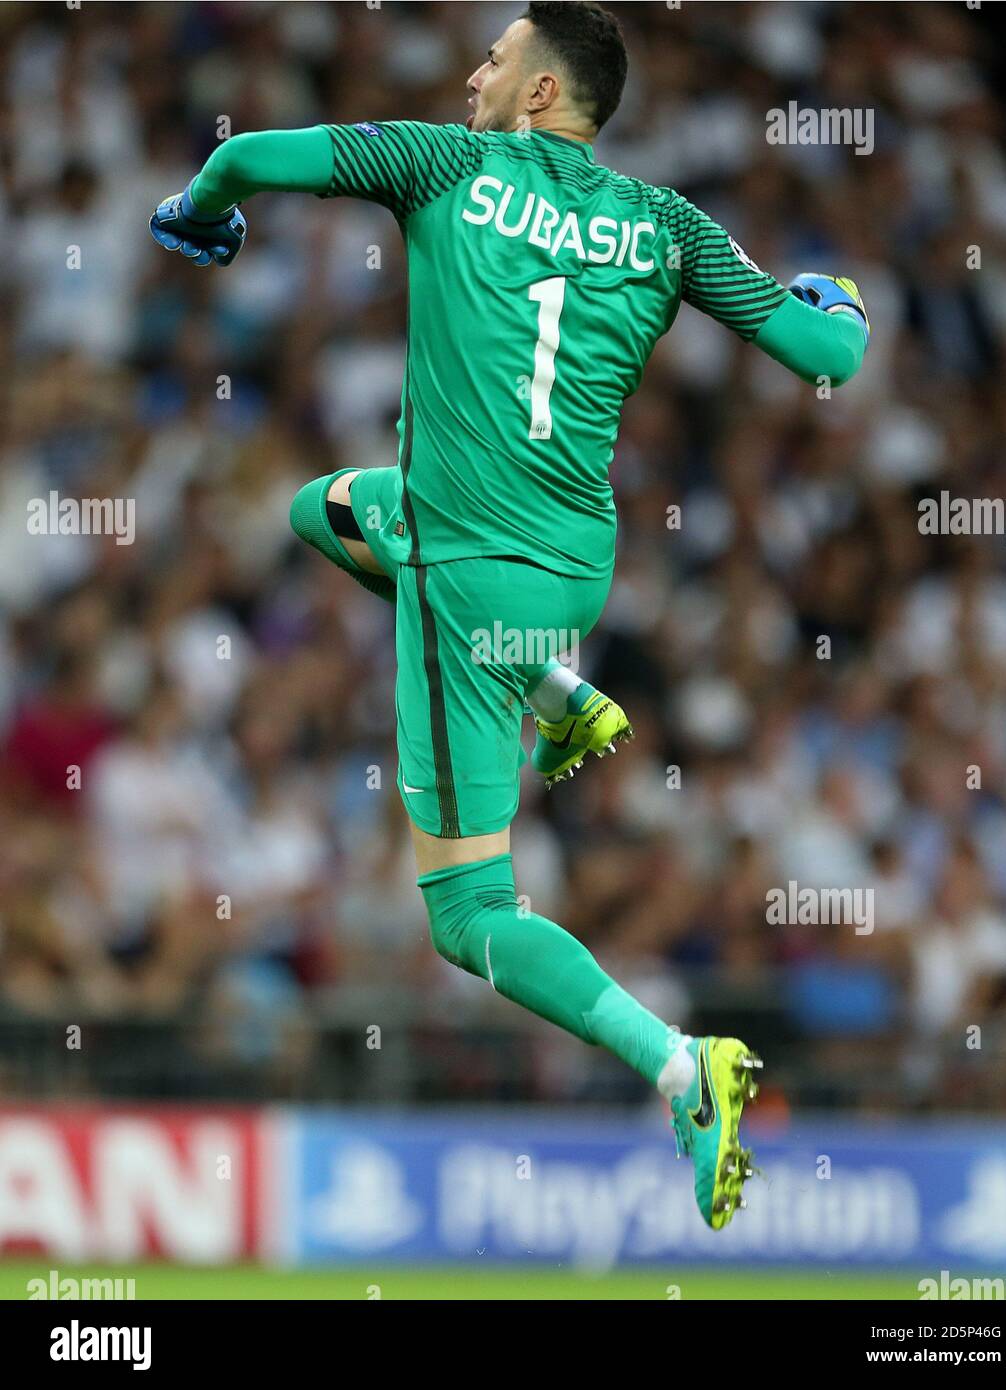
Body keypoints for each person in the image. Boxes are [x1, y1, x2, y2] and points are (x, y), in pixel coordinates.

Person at [149, 2, 869, 1229]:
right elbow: (827, 356)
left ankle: (678, 1065)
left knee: (467, 912)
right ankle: (557, 689)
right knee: (323, 509)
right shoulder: (667, 224)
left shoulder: (440, 160)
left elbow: (250, 154)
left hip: (467, 577)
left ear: (541, 94)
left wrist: (202, 206)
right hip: (574, 570)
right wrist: (838, 302)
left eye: (496, 58)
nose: (473, 72)